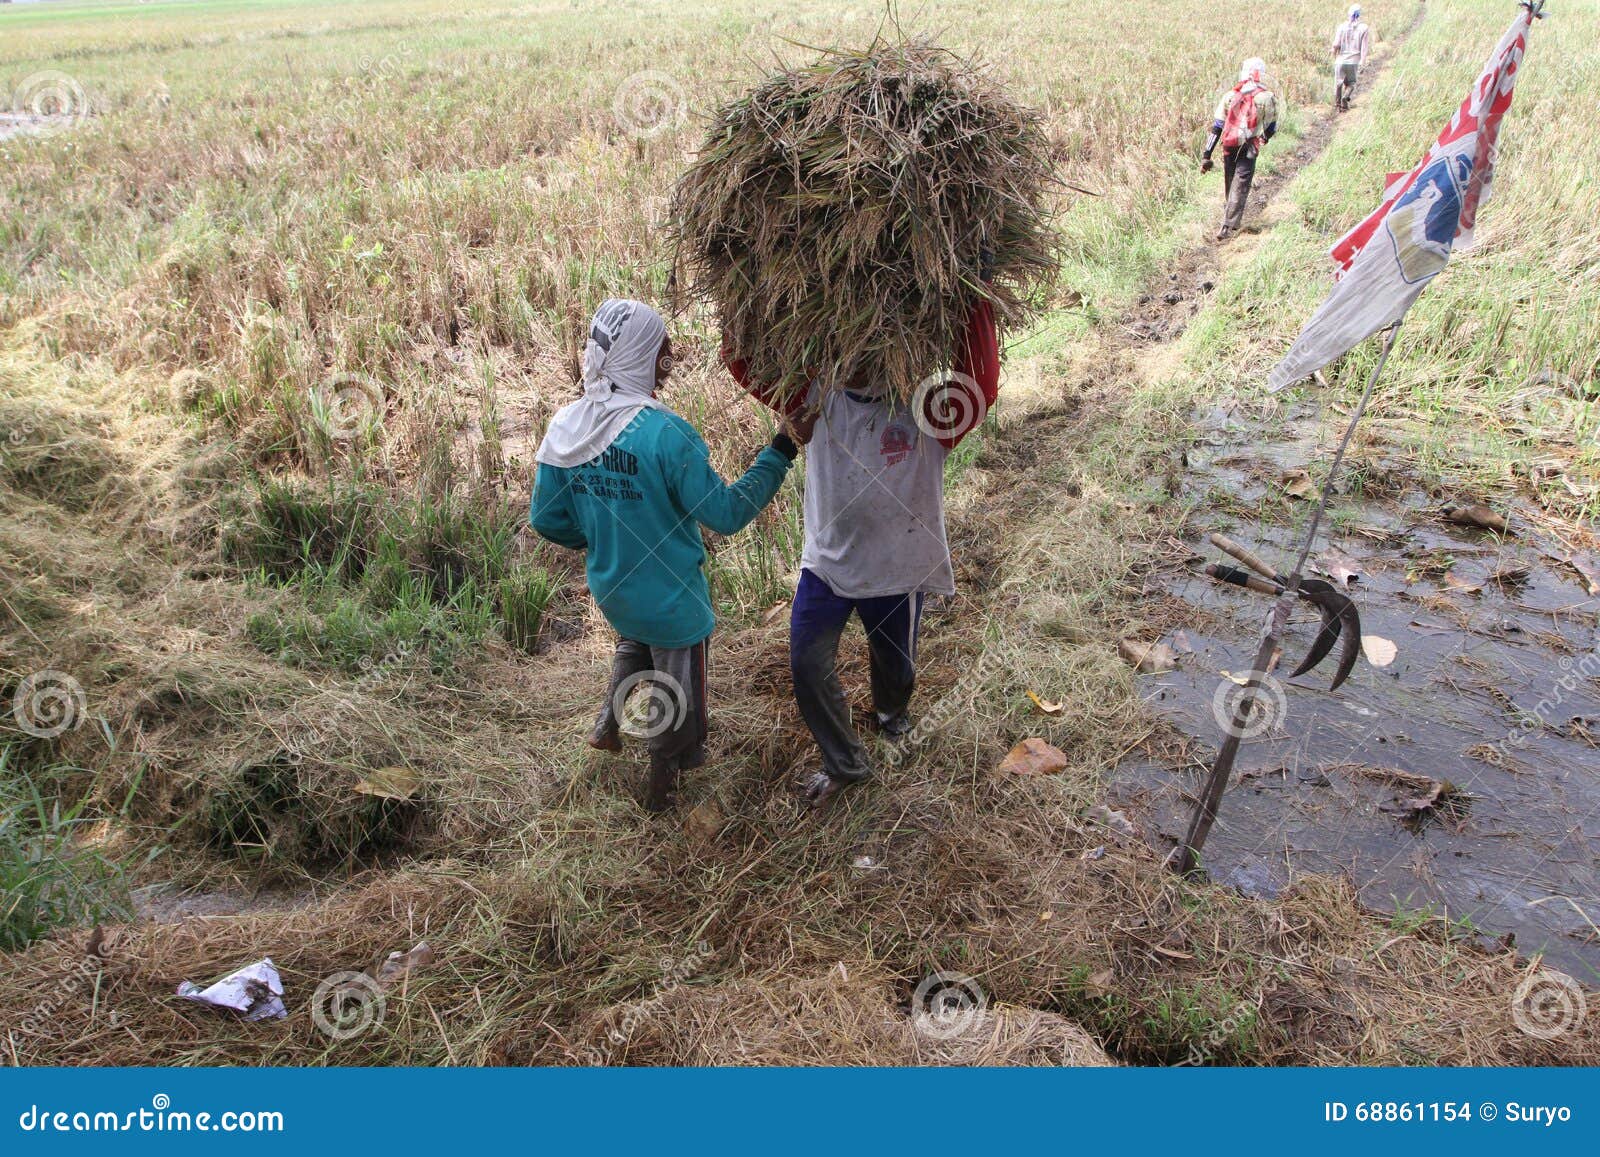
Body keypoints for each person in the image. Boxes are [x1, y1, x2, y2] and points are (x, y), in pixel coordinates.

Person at [531, 298, 807, 812]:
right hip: (674, 602)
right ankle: (663, 788)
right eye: (663, 351)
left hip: (614, 589)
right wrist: (782, 449)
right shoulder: (666, 435)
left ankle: (607, 722)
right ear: (639, 355)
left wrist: (601, 540)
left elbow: (545, 518)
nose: (671, 359)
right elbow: (725, 513)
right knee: (680, 702)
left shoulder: (568, 428)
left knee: (635, 640)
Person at [727, 299, 999, 808]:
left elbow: (981, 384)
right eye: (853, 339)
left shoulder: (929, 408)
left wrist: (975, 298)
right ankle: (845, 763)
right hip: (827, 565)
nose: (864, 355)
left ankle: (893, 715)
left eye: (879, 338)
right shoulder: (814, 399)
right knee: (807, 664)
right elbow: (741, 360)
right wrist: (749, 286)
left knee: (896, 670)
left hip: (900, 567)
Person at [1200, 57, 1279, 241]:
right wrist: (1264, 138)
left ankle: (1230, 217)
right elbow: (1271, 127)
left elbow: (1217, 127)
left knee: (1230, 180)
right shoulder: (1267, 97)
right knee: (1241, 183)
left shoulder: (1230, 95)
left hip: (1228, 145)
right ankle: (1228, 225)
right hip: (1249, 146)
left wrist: (1207, 154)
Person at [1332, 6, 1371, 111]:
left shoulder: (1342, 27)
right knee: (1351, 84)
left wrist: (1333, 53)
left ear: (1349, 14)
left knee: (1338, 83)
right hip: (1353, 61)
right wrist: (1363, 62)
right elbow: (1364, 48)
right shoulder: (1364, 28)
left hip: (1340, 60)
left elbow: (1336, 44)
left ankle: (1338, 105)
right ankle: (1346, 97)